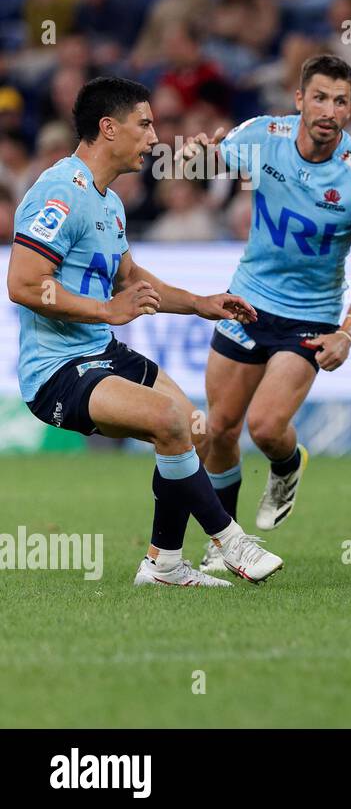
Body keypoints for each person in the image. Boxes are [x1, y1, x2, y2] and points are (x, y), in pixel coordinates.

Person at [7, 76, 282, 587]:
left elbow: (131, 279)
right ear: (108, 129)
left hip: (101, 353)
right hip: (56, 370)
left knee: (194, 429)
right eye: (145, 123)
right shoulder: (58, 193)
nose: (156, 137)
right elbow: (23, 284)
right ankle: (230, 539)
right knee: (170, 419)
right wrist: (105, 309)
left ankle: (163, 564)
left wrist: (201, 304)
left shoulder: (108, 201)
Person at [182, 56, 351, 571]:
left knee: (267, 426)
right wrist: (196, 157)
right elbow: (208, 167)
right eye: (319, 97)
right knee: (219, 429)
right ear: (299, 99)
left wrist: (350, 330)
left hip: (310, 316)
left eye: (340, 101)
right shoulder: (262, 135)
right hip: (248, 299)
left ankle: (287, 462)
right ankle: (223, 546)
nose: (328, 110)